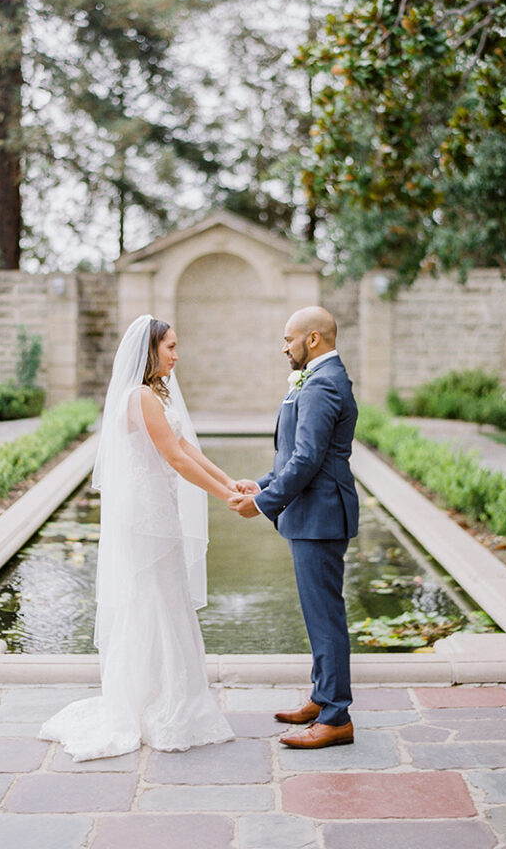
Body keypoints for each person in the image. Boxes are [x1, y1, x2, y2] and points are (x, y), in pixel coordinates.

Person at [40, 314, 235, 759]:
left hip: (155, 513)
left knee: (164, 597)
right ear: (151, 350)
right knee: (154, 598)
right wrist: (226, 496)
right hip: (147, 520)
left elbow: (186, 448)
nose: (177, 355)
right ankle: (155, 701)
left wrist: (230, 481)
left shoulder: (151, 394)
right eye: (171, 347)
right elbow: (175, 459)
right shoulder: (142, 397)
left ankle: (160, 694)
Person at [230, 306, 359, 750]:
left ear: (313, 339)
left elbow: (308, 459)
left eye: (289, 339)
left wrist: (262, 504)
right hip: (312, 514)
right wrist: (262, 484)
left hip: (320, 516)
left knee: (325, 617)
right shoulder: (319, 378)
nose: (284, 347)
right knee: (318, 614)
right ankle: (323, 699)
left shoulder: (322, 383)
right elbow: (295, 455)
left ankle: (336, 717)